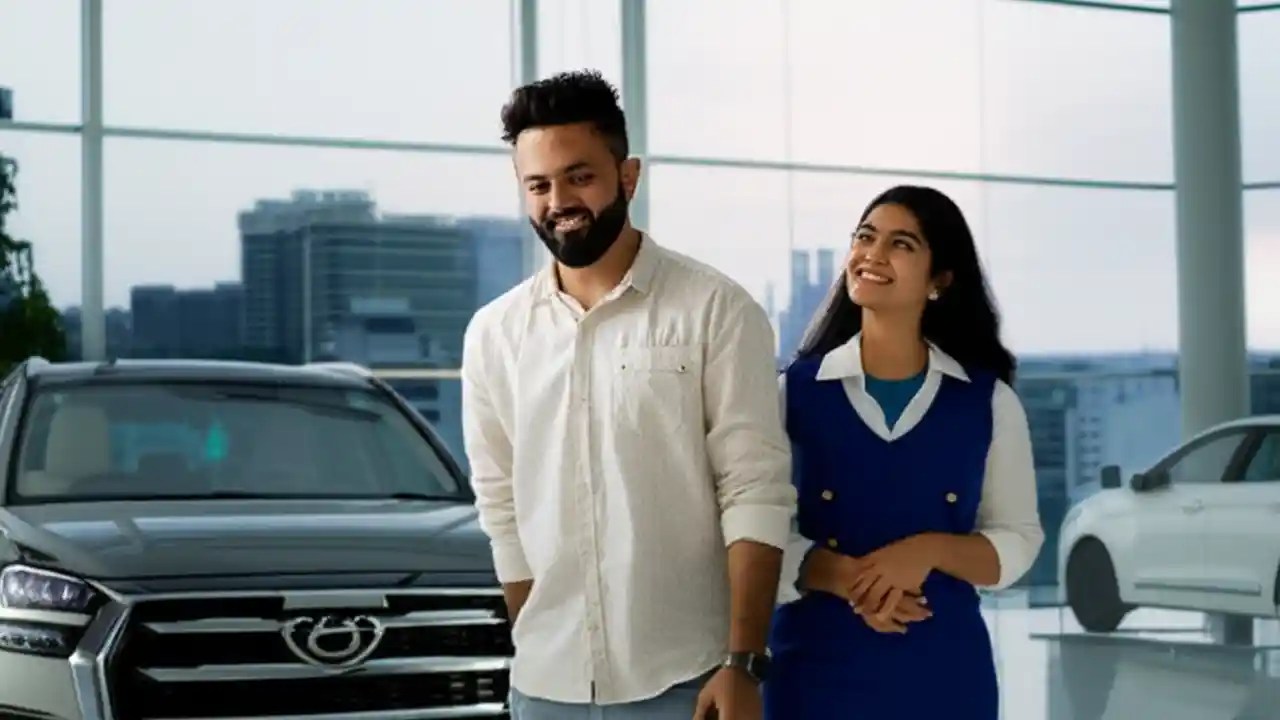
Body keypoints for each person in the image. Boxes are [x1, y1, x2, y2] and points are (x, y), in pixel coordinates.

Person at [460, 69, 796, 720]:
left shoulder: (716, 310)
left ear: (628, 176)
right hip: (543, 689)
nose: (559, 199)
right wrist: (542, 634)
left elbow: (755, 491)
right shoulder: (493, 335)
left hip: (689, 684)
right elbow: (500, 505)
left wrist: (742, 662)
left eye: (579, 176)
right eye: (538, 184)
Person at [762, 185, 1044, 719]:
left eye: (901, 244)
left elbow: (1018, 538)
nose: (872, 254)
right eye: (864, 237)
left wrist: (929, 550)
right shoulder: (791, 394)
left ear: (940, 280)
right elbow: (759, 529)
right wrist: (846, 578)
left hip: (944, 677)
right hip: (814, 673)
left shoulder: (988, 403)